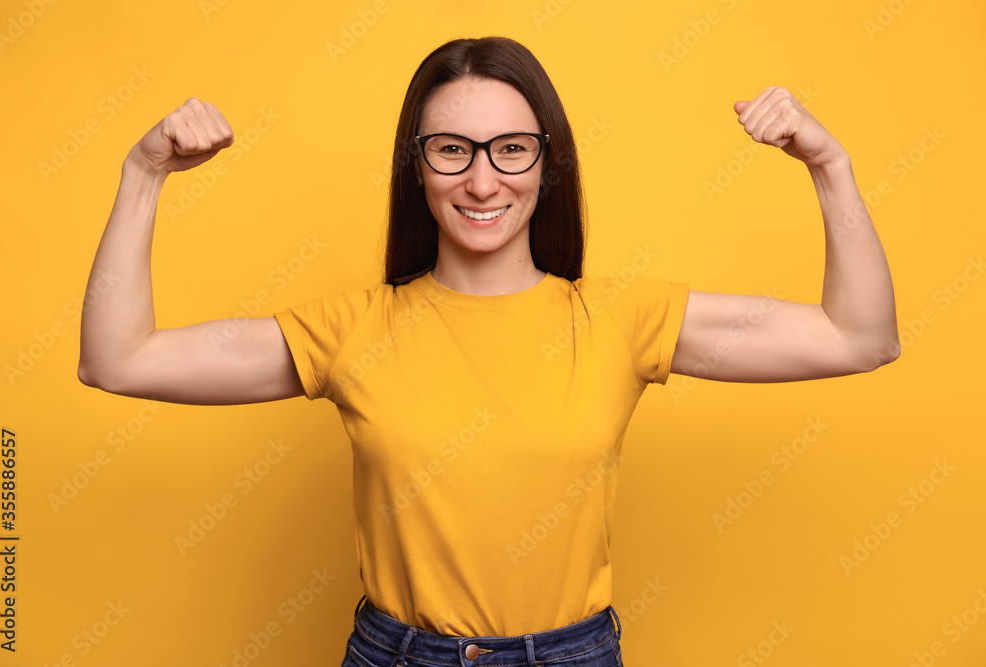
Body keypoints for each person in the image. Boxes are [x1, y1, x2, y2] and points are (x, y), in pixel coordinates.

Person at [78, 36, 899, 667]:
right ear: (419, 166)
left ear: (546, 163)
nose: (482, 181)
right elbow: (118, 359)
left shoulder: (621, 318)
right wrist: (143, 171)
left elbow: (860, 336)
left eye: (511, 148)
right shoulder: (349, 329)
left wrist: (830, 164)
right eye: (452, 150)